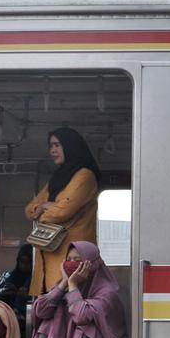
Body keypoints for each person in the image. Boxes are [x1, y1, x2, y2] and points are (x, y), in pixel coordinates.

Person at [29, 241, 130, 338]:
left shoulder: (107, 291)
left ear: (92, 264)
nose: (72, 264)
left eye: (78, 260)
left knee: (85, 327)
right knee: (50, 318)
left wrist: (73, 287)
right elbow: (40, 311)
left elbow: (82, 317)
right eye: (69, 259)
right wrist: (64, 284)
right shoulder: (66, 283)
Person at [25, 127, 100, 296]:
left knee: (70, 308)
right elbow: (30, 210)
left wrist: (45, 207)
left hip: (71, 255)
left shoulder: (85, 176)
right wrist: (46, 205)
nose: (52, 150)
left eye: (57, 145)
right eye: (51, 146)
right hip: (48, 254)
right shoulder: (57, 178)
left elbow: (63, 212)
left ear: (70, 146)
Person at [0, 243, 33, 323]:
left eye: (29, 262)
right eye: (22, 261)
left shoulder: (37, 279)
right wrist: (4, 292)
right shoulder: (10, 275)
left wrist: (26, 296)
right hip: (7, 317)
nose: (25, 265)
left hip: (29, 319)